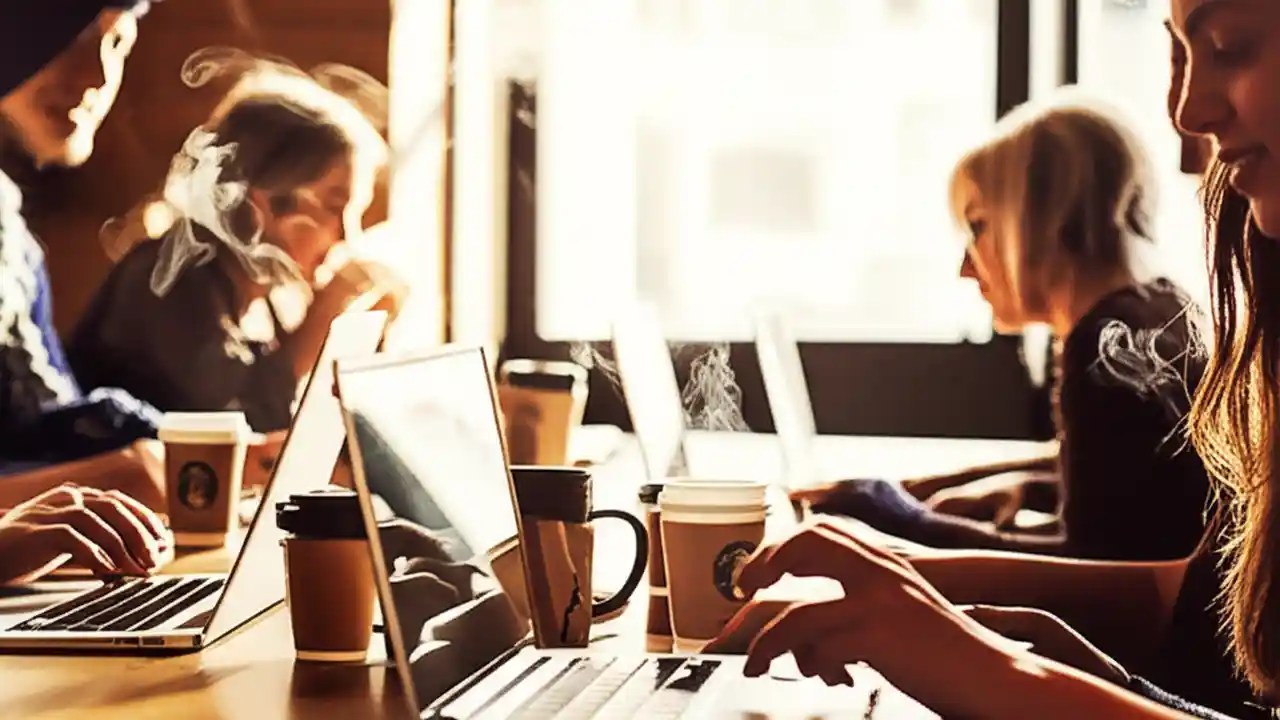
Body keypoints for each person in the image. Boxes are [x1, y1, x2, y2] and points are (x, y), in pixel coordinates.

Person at [713, 1, 1280, 717]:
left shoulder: (1106, 345)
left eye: (1228, 46)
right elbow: (1183, 594)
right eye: (1177, 55)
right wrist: (916, 575)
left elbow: (1107, 558)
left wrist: (921, 557)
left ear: (1037, 221)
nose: (1187, 114)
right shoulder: (1169, 317)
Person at [792, 95, 1212, 562]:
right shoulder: (1162, 308)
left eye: (978, 227)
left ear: (1042, 221)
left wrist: (904, 520)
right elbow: (1124, 481)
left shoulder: (1100, 349)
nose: (966, 270)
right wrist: (1007, 489)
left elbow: (1089, 573)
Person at [69, 51, 403, 434]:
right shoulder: (171, 284)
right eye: (334, 207)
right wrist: (319, 328)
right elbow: (234, 436)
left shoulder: (274, 302)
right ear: (263, 199)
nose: (347, 235)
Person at [0, 1, 172, 584]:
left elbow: (38, 421)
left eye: (117, 43)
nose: (98, 76)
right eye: (71, 37)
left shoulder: (13, 237)